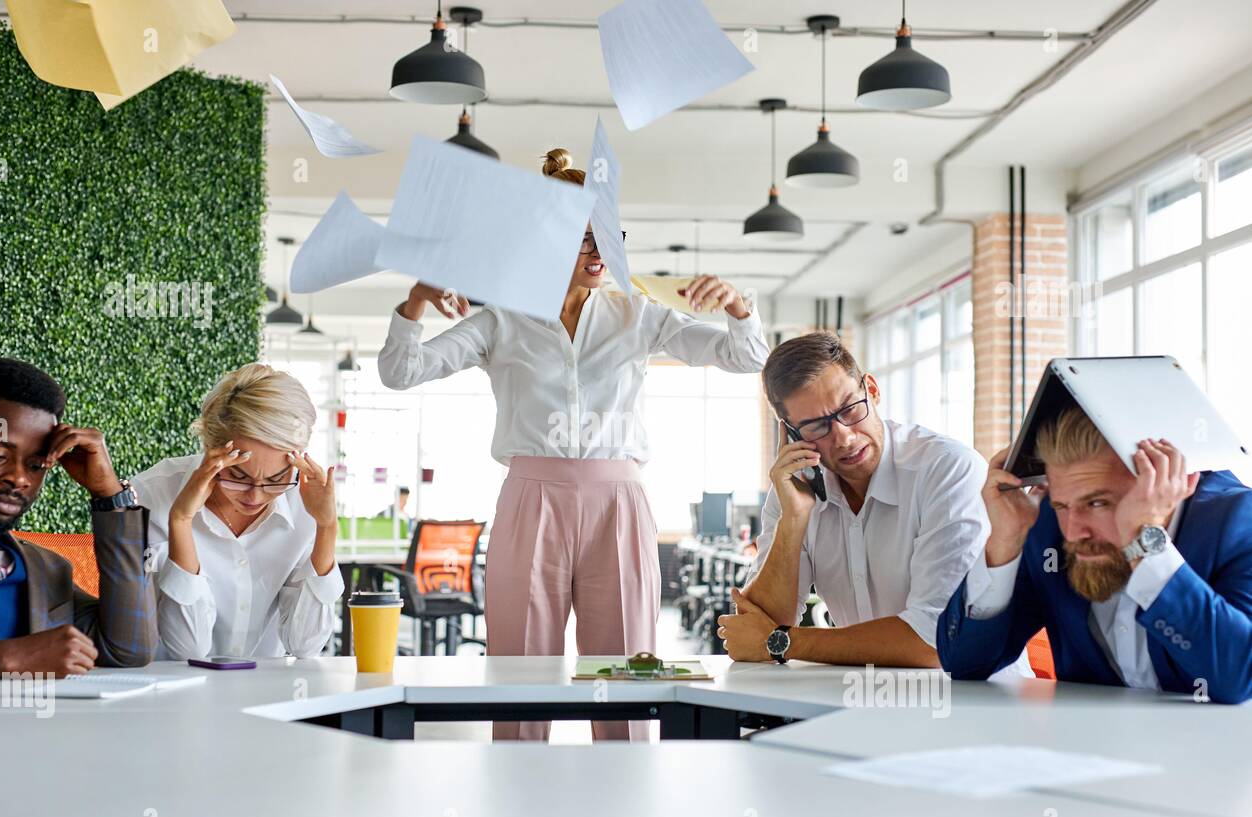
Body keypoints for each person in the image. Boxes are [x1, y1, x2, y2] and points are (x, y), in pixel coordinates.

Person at [378, 147, 770, 741]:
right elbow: (401, 372)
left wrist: (739, 307)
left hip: (619, 500)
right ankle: (517, 792)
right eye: (582, 237)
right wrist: (415, 300)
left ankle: (625, 796)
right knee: (521, 666)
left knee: (622, 668)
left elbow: (747, 356)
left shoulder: (639, 315)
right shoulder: (501, 321)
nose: (599, 252)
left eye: (607, 236)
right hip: (530, 498)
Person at [936, 405, 1252, 704]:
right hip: (1085, 751)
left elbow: (1239, 676)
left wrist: (1145, 541)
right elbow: (965, 664)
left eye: (1098, 503)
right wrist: (1004, 540)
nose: (1073, 532)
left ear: (1178, 481)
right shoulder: (1046, 525)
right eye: (1061, 505)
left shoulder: (1240, 522)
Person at [718, 331, 987, 667]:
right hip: (862, 700)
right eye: (817, 426)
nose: (843, 437)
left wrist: (781, 641)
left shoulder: (948, 469)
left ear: (871, 390)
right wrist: (793, 520)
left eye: (849, 409)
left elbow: (934, 641)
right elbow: (752, 628)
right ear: (791, 433)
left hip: (968, 704)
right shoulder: (794, 487)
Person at [0, 357, 157, 674]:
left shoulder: (46, 572)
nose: (19, 478)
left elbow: (129, 649)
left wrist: (109, 496)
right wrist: (3, 657)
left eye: (36, 466)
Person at [132, 364, 342, 660]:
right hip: (172, 693)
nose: (256, 495)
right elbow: (187, 649)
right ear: (209, 446)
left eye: (275, 479)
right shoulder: (153, 494)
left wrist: (326, 525)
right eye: (239, 477)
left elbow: (305, 644)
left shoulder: (306, 500)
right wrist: (180, 519)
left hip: (267, 693)